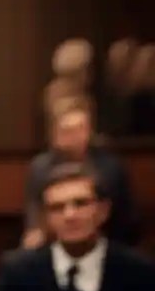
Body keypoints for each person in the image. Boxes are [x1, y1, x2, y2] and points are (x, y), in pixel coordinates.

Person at [0, 163, 155, 291]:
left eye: (81, 203)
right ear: (45, 218)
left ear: (103, 211)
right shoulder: (17, 272)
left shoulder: (140, 271)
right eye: (57, 208)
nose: (70, 215)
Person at [23, 99, 137, 246]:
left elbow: (125, 218)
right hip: (53, 241)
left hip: (106, 241)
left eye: (80, 129)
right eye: (67, 131)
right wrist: (35, 231)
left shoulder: (111, 167)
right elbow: (34, 210)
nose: (74, 136)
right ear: (55, 135)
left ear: (89, 131)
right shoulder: (40, 168)